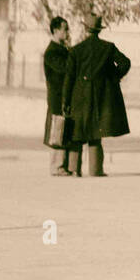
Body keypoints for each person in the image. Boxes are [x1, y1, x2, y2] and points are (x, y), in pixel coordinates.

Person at [62, 15, 131, 177]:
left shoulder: (76, 50)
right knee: (95, 133)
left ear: (85, 29)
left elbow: (69, 79)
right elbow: (125, 63)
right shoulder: (108, 48)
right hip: (101, 96)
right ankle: (96, 170)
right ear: (99, 30)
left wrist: (65, 100)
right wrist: (113, 77)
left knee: (77, 134)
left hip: (79, 97)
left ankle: (74, 170)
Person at [43, 16, 78, 176]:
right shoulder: (51, 52)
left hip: (63, 96)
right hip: (57, 96)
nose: (67, 32)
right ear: (56, 30)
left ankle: (61, 166)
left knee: (63, 128)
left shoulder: (62, 49)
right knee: (57, 129)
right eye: (65, 29)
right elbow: (65, 68)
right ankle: (56, 166)